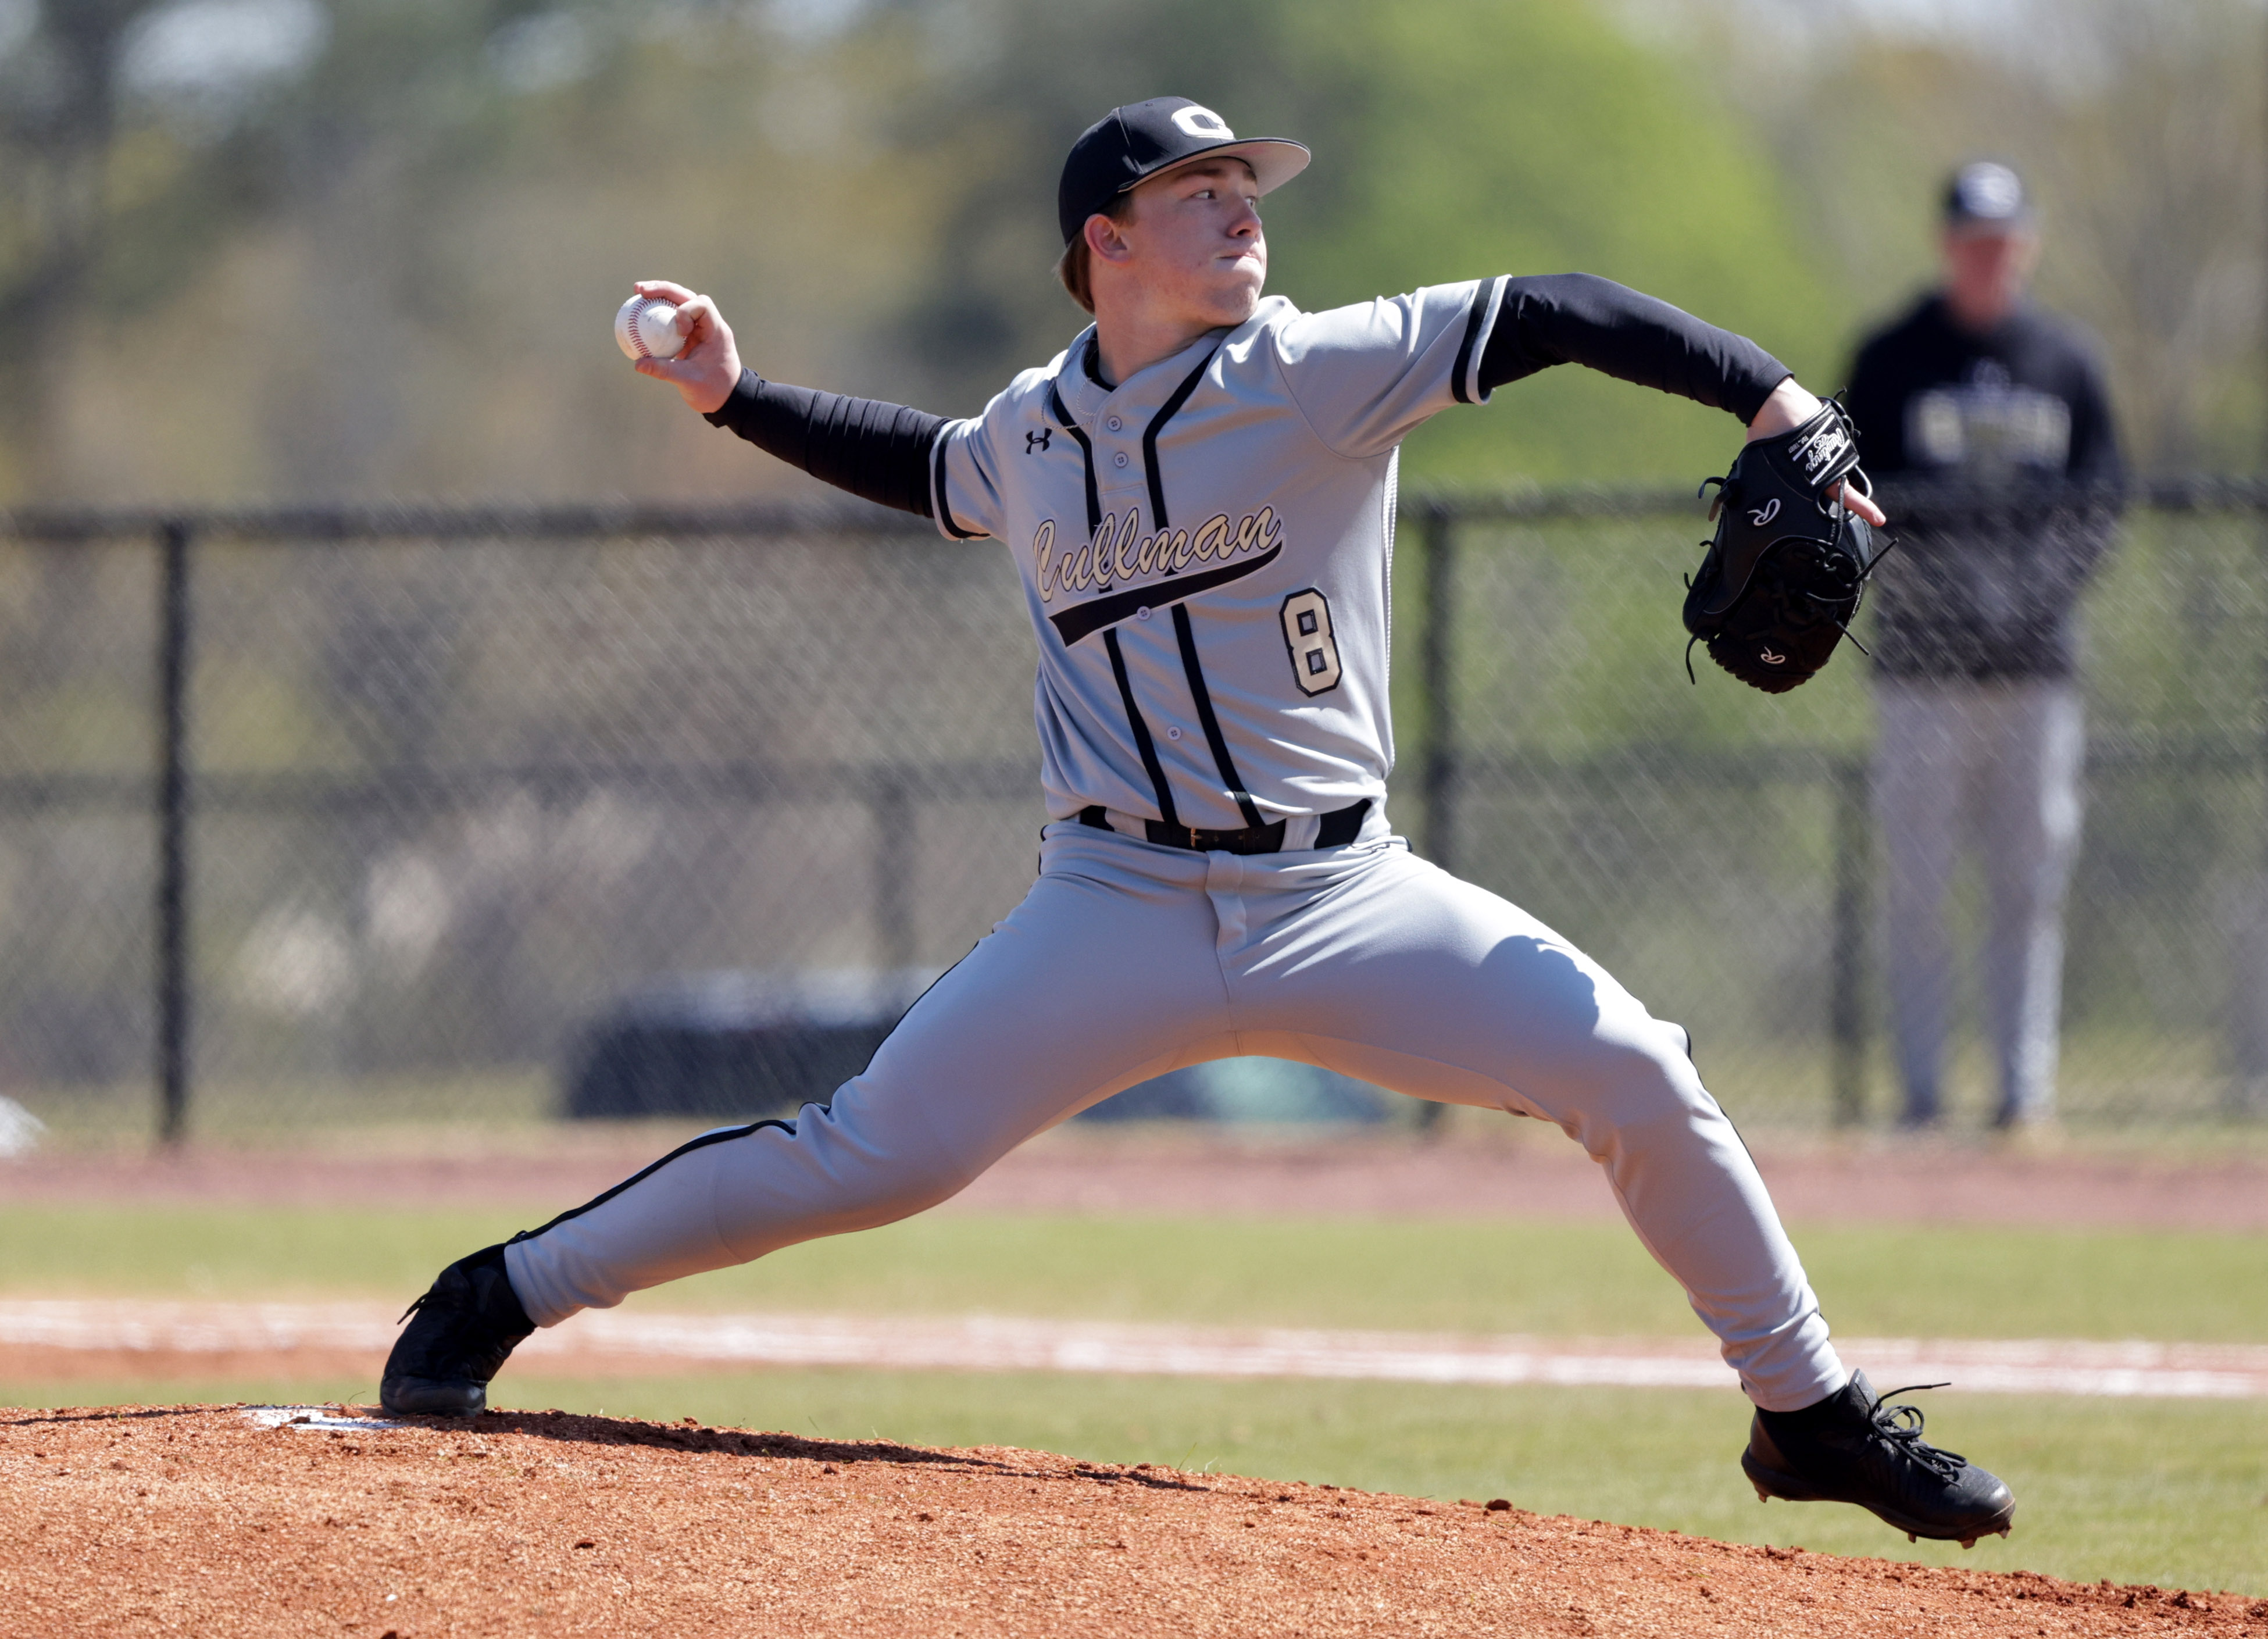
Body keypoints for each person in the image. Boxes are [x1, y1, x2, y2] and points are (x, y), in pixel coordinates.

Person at [381, 98, 2013, 1544]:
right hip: (1111, 901)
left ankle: (1802, 1412)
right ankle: (498, 1291)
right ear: (1105, 242)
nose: (1242, 209)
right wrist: (736, 397)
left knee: (1632, 1066)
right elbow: (931, 466)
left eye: (1248, 185)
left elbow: (1560, 312)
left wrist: (1776, 405)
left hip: (1342, 897)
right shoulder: (1033, 432)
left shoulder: (1309, 369)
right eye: (1197, 189)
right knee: (868, 1154)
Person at [1846, 162, 2123, 1131]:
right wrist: (1949, 601)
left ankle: (2023, 1097)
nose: (1987, 256)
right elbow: (1852, 502)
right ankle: (1921, 1100)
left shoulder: (2066, 361)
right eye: (1971, 238)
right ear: (1944, 244)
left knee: (2029, 883)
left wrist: (2027, 604)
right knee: (1916, 885)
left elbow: (2100, 506)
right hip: (1921, 669)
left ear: (2028, 245)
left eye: (2003, 240)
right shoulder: (1889, 358)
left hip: (2037, 670)